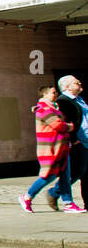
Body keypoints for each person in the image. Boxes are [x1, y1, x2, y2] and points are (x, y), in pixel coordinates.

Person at [21, 85, 83, 213]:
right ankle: (27, 196)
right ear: (45, 95)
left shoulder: (54, 108)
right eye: (53, 92)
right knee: (49, 175)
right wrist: (70, 126)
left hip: (61, 147)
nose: (55, 95)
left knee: (66, 176)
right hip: (50, 148)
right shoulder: (43, 108)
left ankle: (68, 203)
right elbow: (57, 125)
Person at [52, 75, 88, 211]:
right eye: (76, 82)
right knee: (78, 171)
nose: (79, 83)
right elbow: (64, 122)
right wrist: (74, 139)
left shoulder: (79, 99)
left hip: (85, 140)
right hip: (79, 142)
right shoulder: (63, 101)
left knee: (84, 173)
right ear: (67, 87)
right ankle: (54, 192)